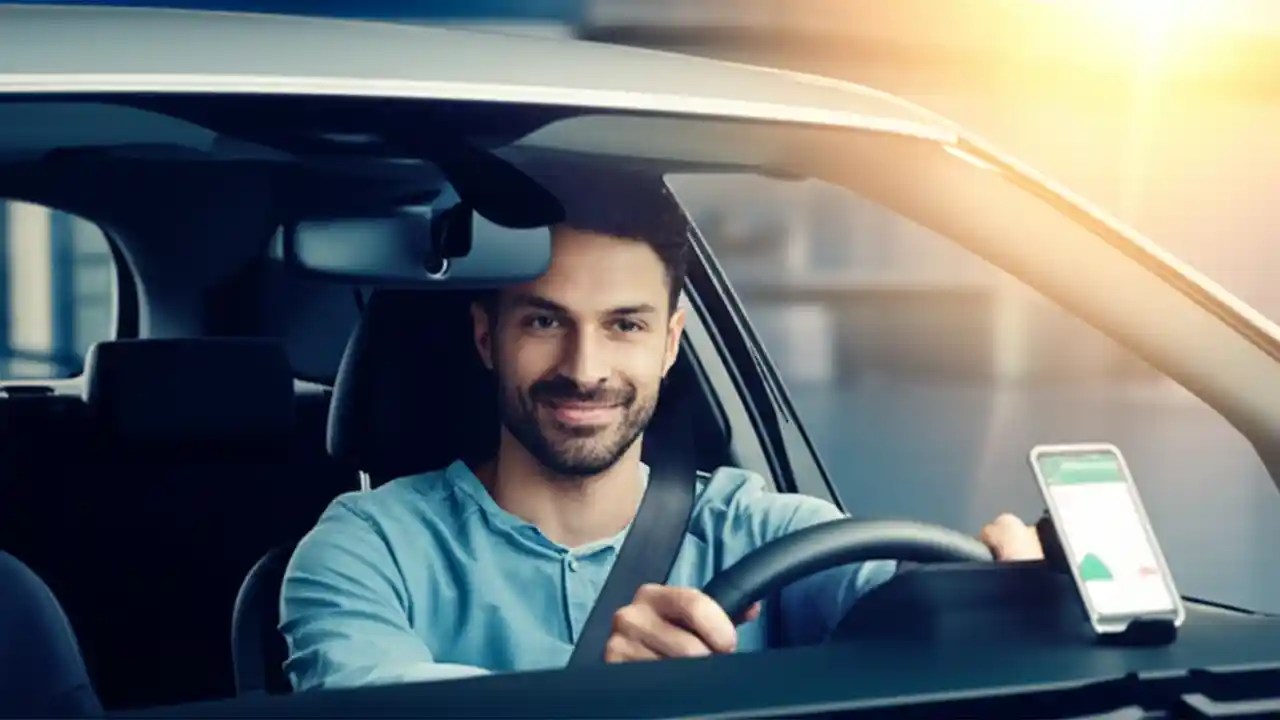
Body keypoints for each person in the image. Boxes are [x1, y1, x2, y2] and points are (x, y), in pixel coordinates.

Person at [279, 174, 1043, 691]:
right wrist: (609, 702)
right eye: (545, 321)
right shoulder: (366, 548)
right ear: (487, 338)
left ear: (671, 342)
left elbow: (916, 616)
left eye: (625, 325)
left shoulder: (764, 530)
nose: (585, 368)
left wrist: (1007, 598)